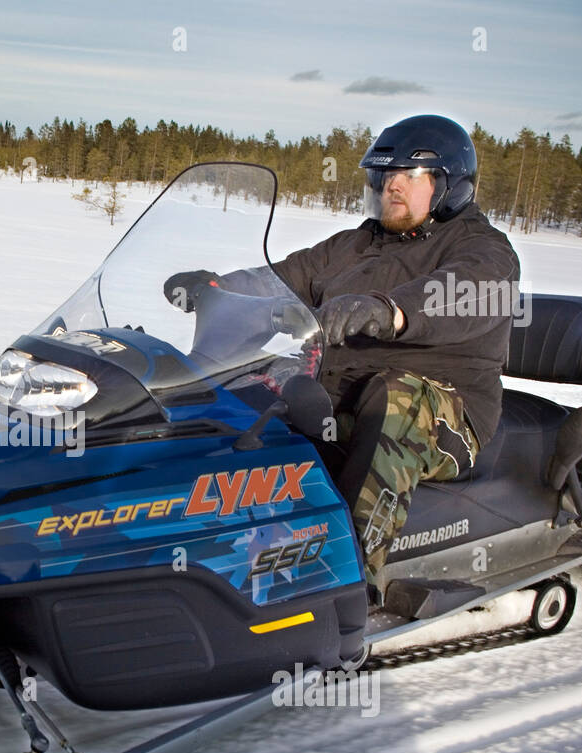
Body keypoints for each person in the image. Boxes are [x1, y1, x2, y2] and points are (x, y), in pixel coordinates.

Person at [164, 115, 520, 598]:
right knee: (248, 387)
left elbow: (461, 293)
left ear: (449, 186)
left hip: (448, 414)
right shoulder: (358, 243)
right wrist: (218, 288)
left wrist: (389, 311)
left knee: (398, 398)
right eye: (383, 177)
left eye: (407, 177)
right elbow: (284, 277)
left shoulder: (484, 250)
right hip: (346, 392)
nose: (391, 187)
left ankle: (352, 585)